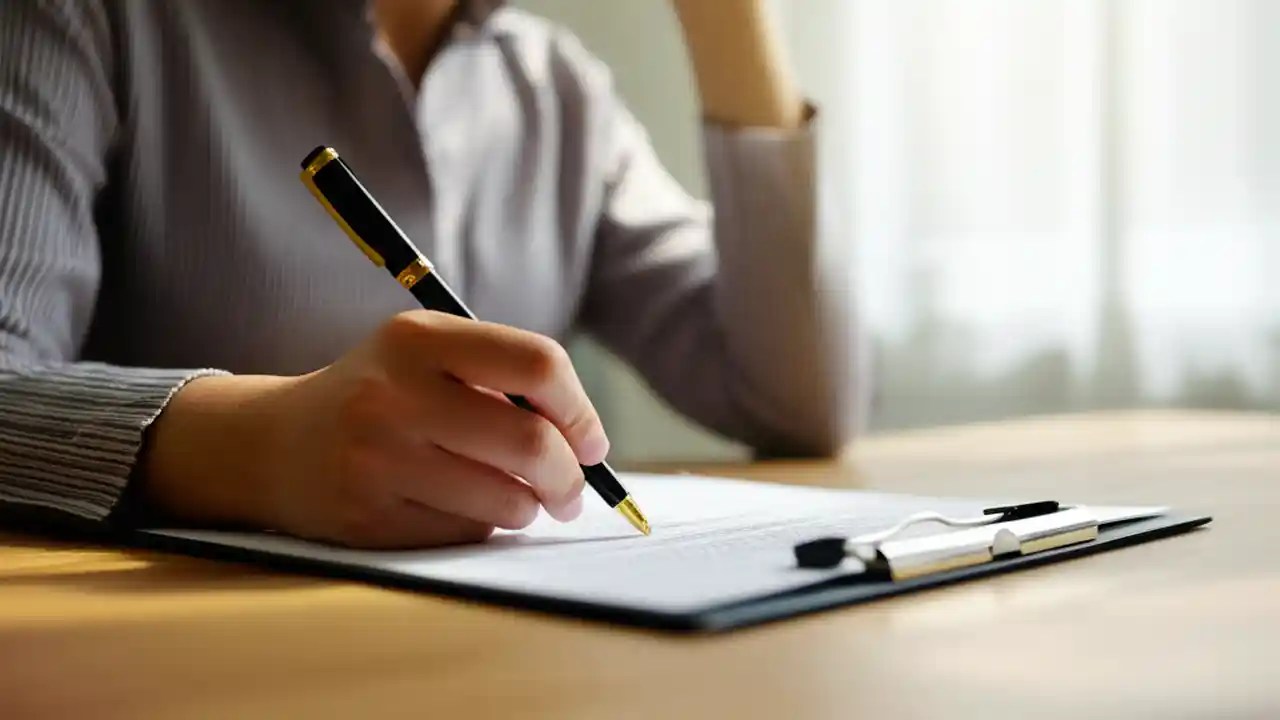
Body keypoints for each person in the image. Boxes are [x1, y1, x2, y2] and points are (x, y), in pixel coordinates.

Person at [0, 0, 864, 548]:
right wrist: (256, 445)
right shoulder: (84, 19)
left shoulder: (557, 89)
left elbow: (793, 401)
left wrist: (733, 23)